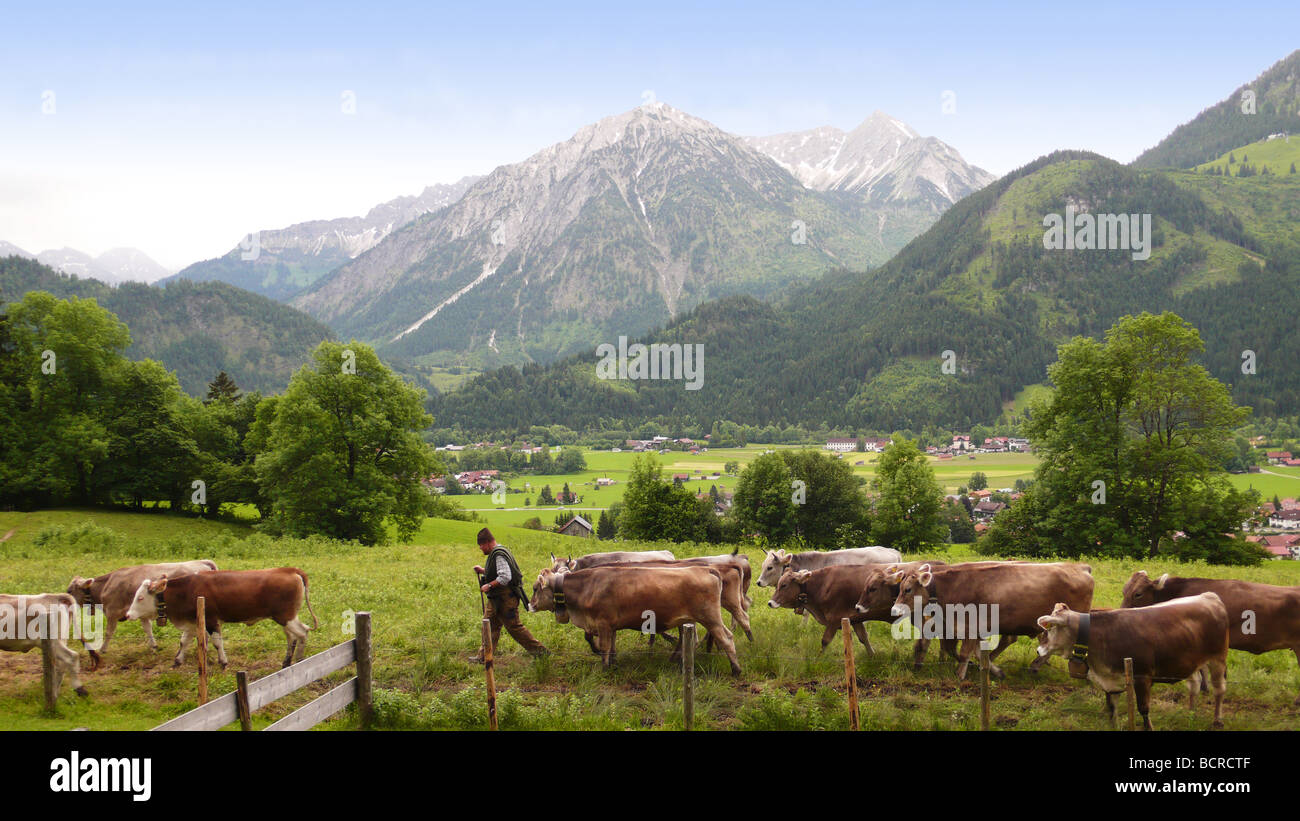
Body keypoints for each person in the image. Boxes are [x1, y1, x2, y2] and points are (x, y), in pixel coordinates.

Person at [470, 527, 546, 662]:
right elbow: (498, 572)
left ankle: (542, 653)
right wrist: (483, 571)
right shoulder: (499, 552)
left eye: (481, 545)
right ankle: (483, 656)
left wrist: (488, 585)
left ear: (487, 542)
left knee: (515, 628)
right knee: (488, 625)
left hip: (506, 599)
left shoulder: (498, 554)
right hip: (496, 599)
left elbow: (505, 576)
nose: (481, 549)